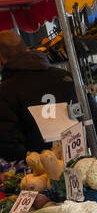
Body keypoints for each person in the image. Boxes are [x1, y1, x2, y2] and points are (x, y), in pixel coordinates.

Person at [0, 30, 76, 162]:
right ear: (26, 49)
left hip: (39, 174)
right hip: (79, 158)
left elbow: (8, 143)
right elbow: (94, 117)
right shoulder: (64, 76)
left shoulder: (6, 91)